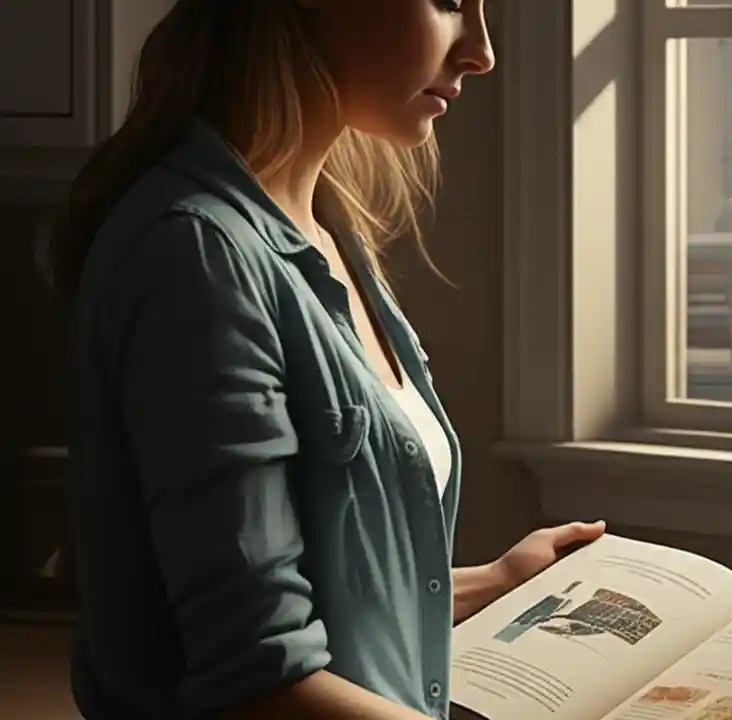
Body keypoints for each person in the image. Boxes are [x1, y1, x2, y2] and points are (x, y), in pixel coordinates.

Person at [49, 2, 605, 719]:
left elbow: (320, 602)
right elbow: (259, 681)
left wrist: (497, 582)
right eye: (448, 3)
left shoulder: (324, 228)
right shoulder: (197, 257)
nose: (482, 52)